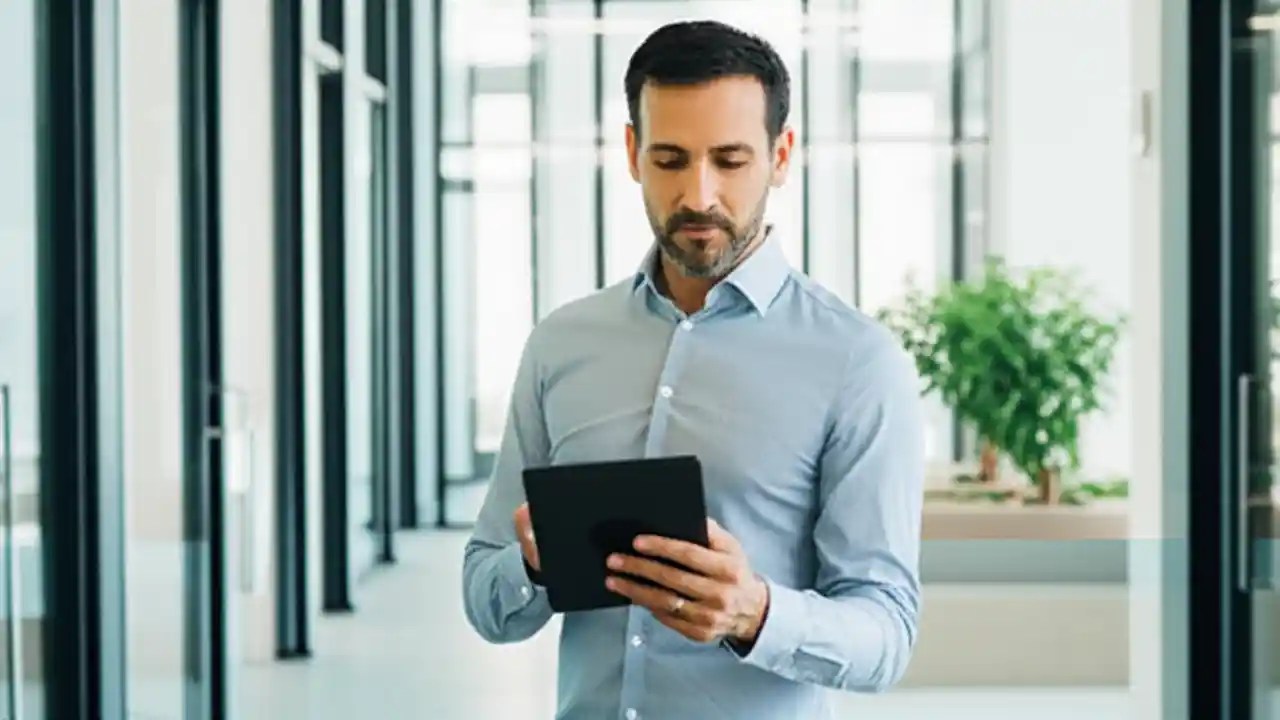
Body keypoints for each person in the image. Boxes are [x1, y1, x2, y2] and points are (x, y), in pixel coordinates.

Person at [461, 18, 925, 720]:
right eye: (671, 159)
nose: (698, 196)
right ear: (632, 152)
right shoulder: (561, 345)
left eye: (731, 161)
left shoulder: (858, 363)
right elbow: (486, 600)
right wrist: (531, 567)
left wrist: (755, 613)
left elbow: (887, 634)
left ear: (781, 155)